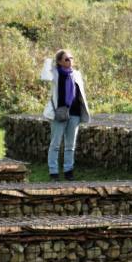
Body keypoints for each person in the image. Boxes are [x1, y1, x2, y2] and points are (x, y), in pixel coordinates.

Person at [41, 49, 91, 181]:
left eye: (71, 58)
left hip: (75, 113)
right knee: (55, 144)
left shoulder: (76, 74)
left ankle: (69, 171)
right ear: (59, 61)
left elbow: (81, 94)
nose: (70, 61)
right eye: (66, 59)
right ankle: (53, 172)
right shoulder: (55, 73)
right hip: (59, 112)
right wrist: (49, 61)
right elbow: (44, 76)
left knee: (70, 145)